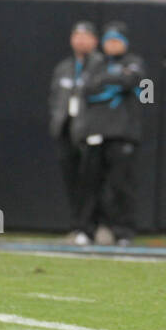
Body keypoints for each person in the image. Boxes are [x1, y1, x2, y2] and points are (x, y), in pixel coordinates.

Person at [74, 21, 147, 248]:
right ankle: (87, 230)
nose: (112, 45)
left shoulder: (134, 63)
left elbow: (132, 82)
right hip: (95, 133)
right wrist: (111, 81)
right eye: (109, 41)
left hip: (122, 135)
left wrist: (108, 82)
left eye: (117, 41)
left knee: (121, 185)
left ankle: (123, 232)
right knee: (90, 184)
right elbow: (87, 89)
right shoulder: (95, 63)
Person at [51, 21, 99, 246]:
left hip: (89, 132)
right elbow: (55, 97)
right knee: (71, 181)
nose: (80, 40)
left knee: (89, 182)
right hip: (65, 129)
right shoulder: (64, 67)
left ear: (94, 41)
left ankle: (89, 228)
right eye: (76, 35)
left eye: (85, 36)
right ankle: (76, 225)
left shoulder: (100, 65)